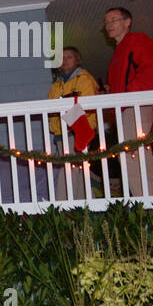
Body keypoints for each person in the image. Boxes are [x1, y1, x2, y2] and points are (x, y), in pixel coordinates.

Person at [103, 7, 153, 195]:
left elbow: (151, 70)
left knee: (134, 154)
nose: (109, 25)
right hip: (125, 108)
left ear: (127, 22)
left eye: (113, 20)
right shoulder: (118, 52)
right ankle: (145, 201)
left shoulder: (137, 40)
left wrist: (128, 93)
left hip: (136, 105)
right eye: (106, 23)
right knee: (129, 157)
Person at [48, 46, 100, 198]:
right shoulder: (56, 86)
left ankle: (64, 205)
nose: (65, 60)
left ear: (77, 60)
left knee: (70, 169)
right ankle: (85, 205)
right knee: (76, 169)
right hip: (61, 133)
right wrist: (56, 128)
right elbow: (52, 110)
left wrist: (68, 117)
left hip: (78, 131)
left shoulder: (84, 79)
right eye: (62, 57)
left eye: (69, 57)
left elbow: (87, 105)